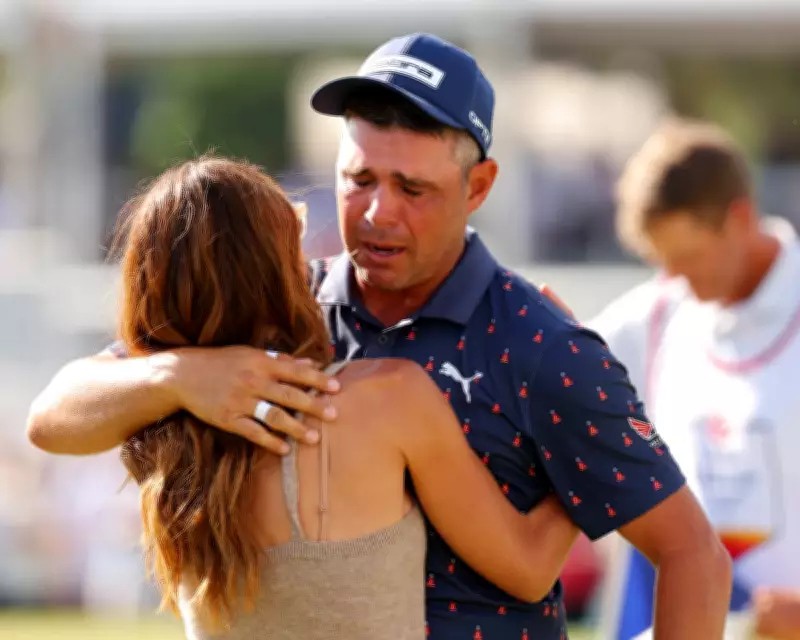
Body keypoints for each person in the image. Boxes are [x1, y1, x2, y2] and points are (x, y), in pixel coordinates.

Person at [26, 34, 731, 639]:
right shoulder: (271, 310)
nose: (376, 213)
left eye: (412, 189)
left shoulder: (546, 349)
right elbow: (55, 414)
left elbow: (693, 555)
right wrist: (177, 377)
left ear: (478, 187)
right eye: (358, 179)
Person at [105, 154, 580, 639]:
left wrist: (173, 376)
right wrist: (574, 410)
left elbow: (65, 412)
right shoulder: (387, 398)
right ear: (274, 268)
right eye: (295, 235)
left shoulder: (151, 426)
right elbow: (529, 568)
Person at [545, 118, 800, 640]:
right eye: (663, 262)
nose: (676, 277)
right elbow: (549, 373)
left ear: (740, 218)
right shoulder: (659, 314)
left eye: (688, 257)